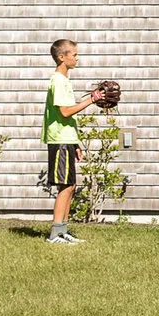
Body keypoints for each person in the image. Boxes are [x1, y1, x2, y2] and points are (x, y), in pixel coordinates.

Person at [42, 37, 103, 244]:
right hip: (59, 140)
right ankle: (54, 234)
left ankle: (63, 231)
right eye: (74, 55)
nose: (77, 58)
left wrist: (75, 143)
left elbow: (66, 117)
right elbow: (65, 112)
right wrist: (91, 99)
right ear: (62, 57)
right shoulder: (58, 81)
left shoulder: (64, 81)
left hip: (66, 139)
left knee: (71, 184)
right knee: (65, 186)